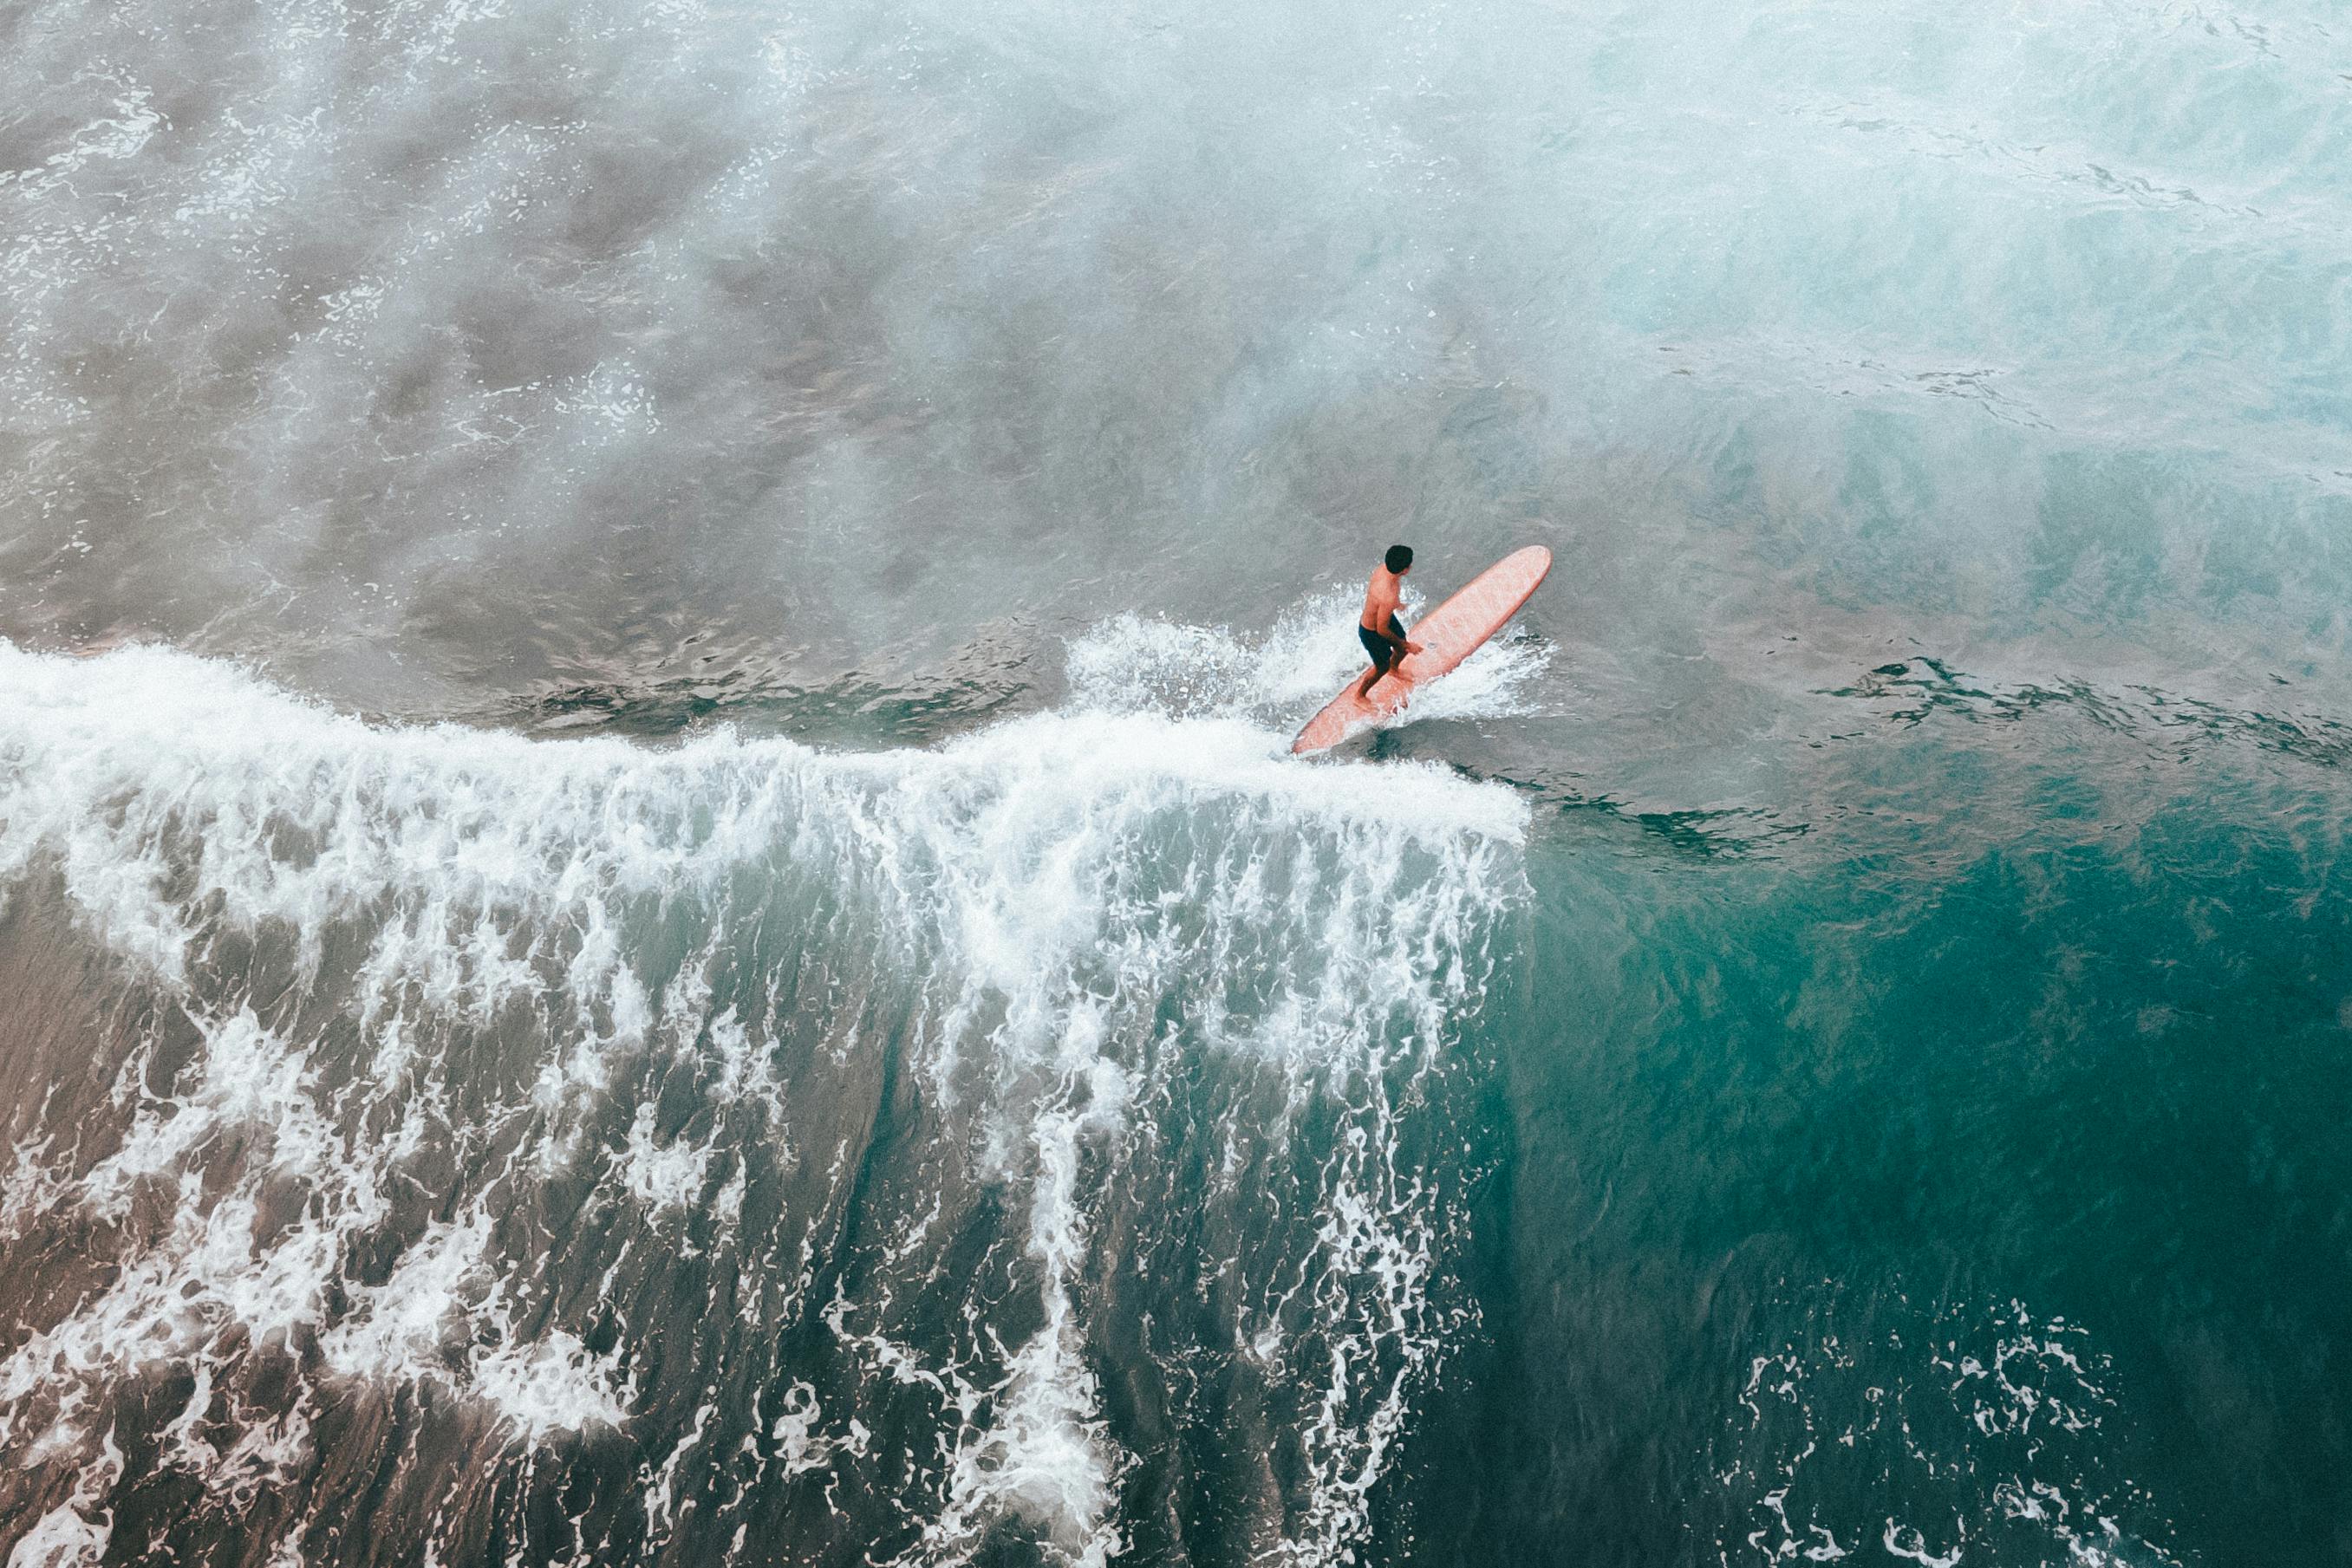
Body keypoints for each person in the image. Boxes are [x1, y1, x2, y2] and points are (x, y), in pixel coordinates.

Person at [1356, 543, 1424, 699]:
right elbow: (1382, 630)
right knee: (1382, 666)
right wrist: (1408, 646)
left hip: (1383, 616)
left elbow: (1386, 598)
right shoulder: (1388, 595)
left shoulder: (1383, 570)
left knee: (1400, 648)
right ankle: (1360, 696)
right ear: (1405, 570)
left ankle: (1394, 669)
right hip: (1370, 631)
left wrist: (1397, 605)